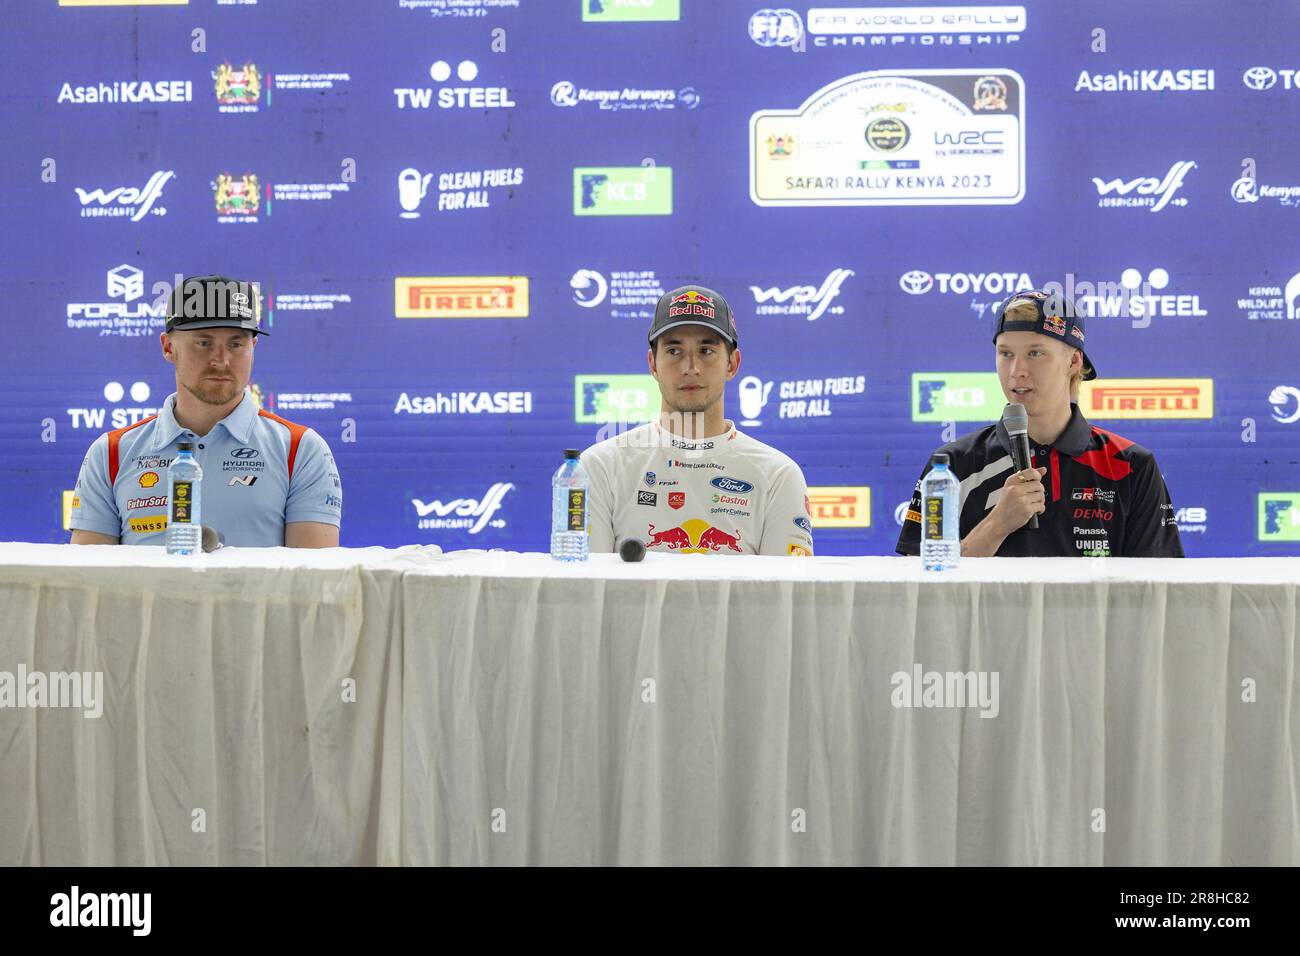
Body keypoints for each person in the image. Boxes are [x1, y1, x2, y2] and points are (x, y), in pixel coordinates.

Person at [896, 289, 1183, 558]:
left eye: (1035, 353)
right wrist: (996, 526)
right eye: (1006, 354)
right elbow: (918, 590)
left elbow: (1157, 591)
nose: (1017, 371)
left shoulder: (1131, 466)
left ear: (1073, 361)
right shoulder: (952, 465)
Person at [69, 275, 342, 548]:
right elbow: (88, 582)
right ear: (168, 347)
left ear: (253, 347)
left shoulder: (301, 450)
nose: (221, 360)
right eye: (204, 343)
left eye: (236, 344)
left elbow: (313, 583)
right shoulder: (111, 452)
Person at [581, 285, 814, 555]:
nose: (690, 367)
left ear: (732, 364)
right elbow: (588, 590)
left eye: (706, 351)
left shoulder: (778, 476)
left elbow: (784, 593)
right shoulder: (599, 468)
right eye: (674, 351)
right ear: (653, 364)